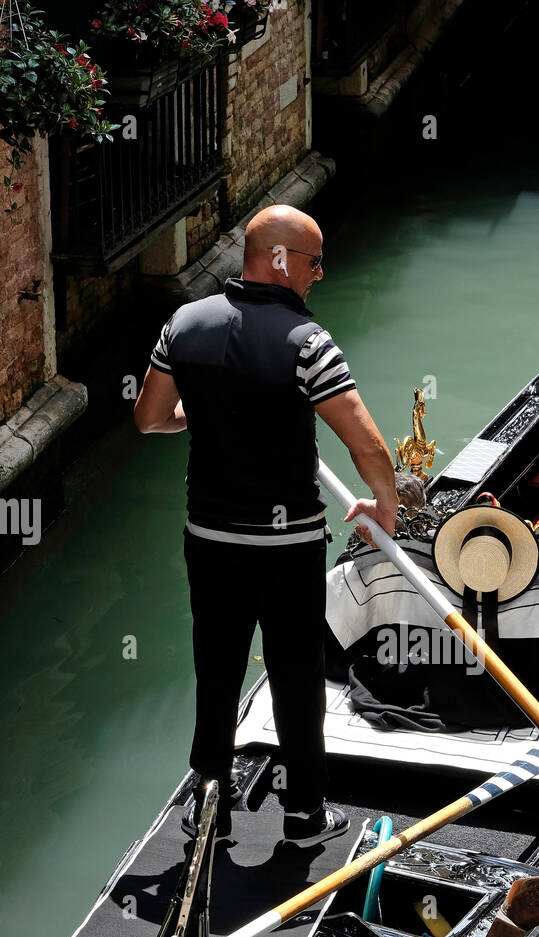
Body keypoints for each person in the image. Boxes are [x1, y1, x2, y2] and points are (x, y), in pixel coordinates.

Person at [133, 204, 397, 845]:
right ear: (280, 259)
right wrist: (383, 503)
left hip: (211, 539)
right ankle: (305, 816)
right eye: (313, 262)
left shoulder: (183, 324)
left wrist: (198, 419)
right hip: (288, 546)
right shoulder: (308, 343)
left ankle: (211, 811)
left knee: (216, 669)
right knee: (295, 676)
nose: (319, 274)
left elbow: (148, 418)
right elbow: (364, 444)